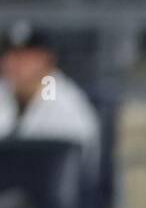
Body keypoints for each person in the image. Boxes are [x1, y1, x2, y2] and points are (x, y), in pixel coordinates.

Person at [0, 22, 100, 172]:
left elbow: (72, 172)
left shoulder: (65, 104)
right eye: (10, 54)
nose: (14, 63)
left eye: (24, 57)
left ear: (47, 60)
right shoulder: (5, 89)